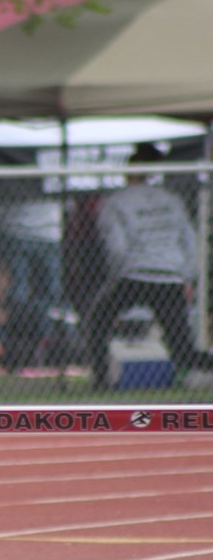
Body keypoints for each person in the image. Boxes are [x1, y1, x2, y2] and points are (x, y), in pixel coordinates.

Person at [85, 142, 213, 389]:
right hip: (170, 278)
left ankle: (102, 381)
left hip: (134, 275)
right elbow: (190, 240)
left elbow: (116, 246)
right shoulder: (170, 199)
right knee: (182, 349)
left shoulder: (116, 202)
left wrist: (118, 274)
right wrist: (186, 275)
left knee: (97, 322)